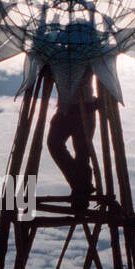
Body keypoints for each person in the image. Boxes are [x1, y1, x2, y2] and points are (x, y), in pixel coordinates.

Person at [44, 64, 96, 212]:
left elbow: (99, 70)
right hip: (65, 110)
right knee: (54, 144)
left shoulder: (88, 58)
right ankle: (81, 185)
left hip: (85, 107)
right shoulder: (57, 59)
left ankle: (81, 195)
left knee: (82, 153)